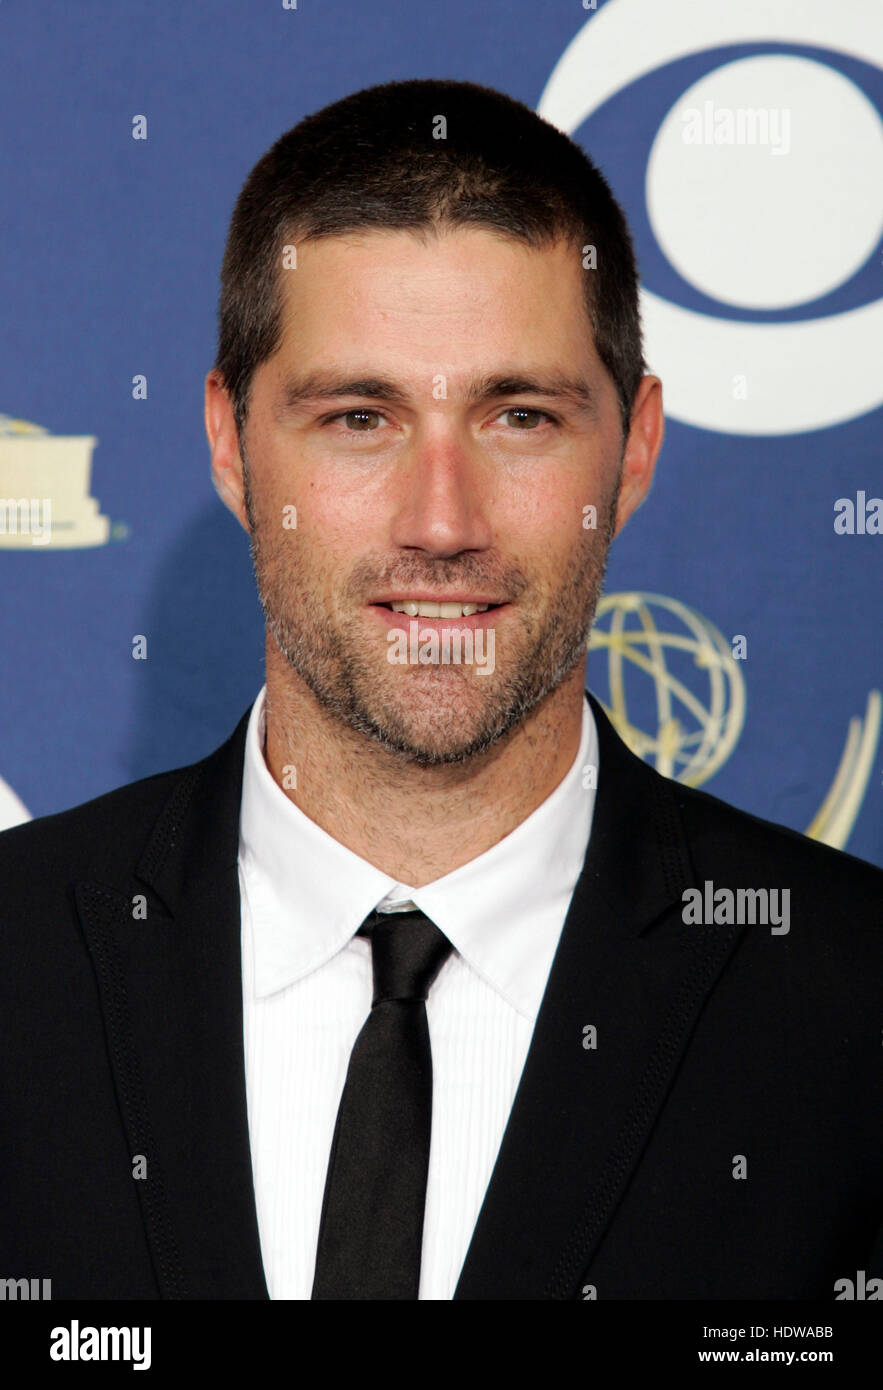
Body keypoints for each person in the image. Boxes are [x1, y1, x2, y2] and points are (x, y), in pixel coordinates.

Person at [1, 78, 880, 1302]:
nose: (441, 522)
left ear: (633, 449)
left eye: (518, 416)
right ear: (228, 442)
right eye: (359, 418)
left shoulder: (851, 1007)